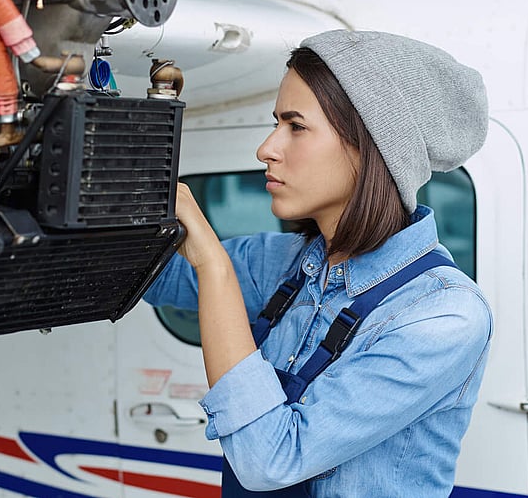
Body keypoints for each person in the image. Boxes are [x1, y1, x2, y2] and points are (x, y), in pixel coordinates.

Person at [143, 29, 493, 496]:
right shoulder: (284, 264)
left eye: (296, 126)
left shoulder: (443, 317)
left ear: (368, 147)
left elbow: (271, 458)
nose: (266, 149)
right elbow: (153, 276)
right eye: (276, 123)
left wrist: (215, 267)